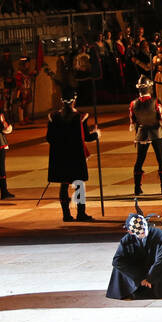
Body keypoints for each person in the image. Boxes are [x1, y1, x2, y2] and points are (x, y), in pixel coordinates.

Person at [46, 87, 100, 222]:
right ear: (74, 100)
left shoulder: (53, 117)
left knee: (64, 184)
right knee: (79, 184)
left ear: (61, 101)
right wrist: (96, 134)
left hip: (61, 155)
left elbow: (49, 138)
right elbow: (86, 137)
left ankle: (66, 214)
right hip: (76, 156)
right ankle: (81, 213)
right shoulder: (80, 117)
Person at [106, 208, 162, 300]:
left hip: (155, 271)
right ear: (131, 232)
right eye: (139, 231)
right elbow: (117, 261)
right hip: (138, 273)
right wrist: (139, 278)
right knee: (120, 266)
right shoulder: (126, 240)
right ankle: (132, 290)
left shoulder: (157, 233)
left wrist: (150, 277)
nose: (143, 232)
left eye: (144, 228)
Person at [128, 75, 162, 196]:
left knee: (139, 161)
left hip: (141, 134)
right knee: (161, 160)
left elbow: (132, 123)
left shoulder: (133, 104)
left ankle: (137, 188)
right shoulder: (155, 102)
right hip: (156, 132)